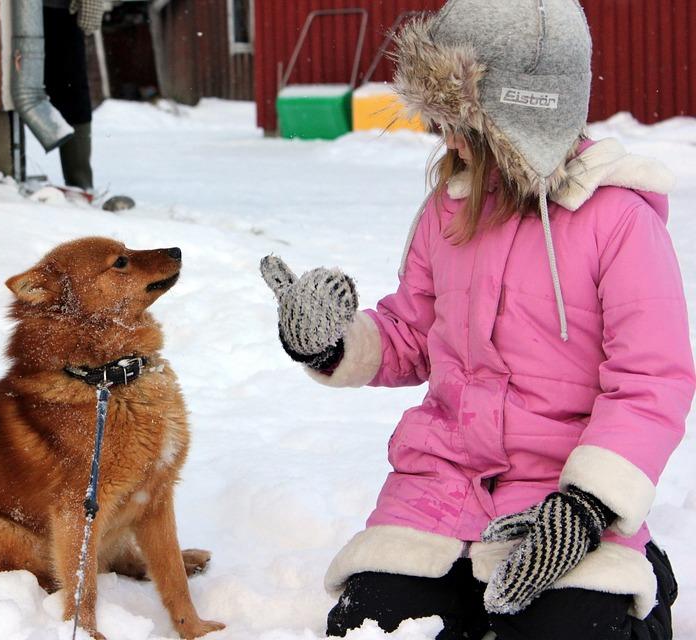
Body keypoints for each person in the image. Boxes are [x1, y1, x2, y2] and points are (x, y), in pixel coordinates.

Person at [260, 1, 691, 639]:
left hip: (558, 501)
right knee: (371, 627)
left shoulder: (619, 224)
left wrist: (587, 506)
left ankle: (644, 586)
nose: (447, 138)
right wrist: (330, 344)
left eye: (464, 121)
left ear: (524, 116)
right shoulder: (450, 209)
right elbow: (413, 332)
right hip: (442, 486)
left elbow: (651, 381)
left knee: (569, 632)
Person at [43, 0, 105, 192]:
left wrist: (89, 12)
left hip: (60, 14)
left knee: (73, 96)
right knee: (71, 95)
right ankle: (80, 182)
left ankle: (80, 184)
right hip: (31, 13)